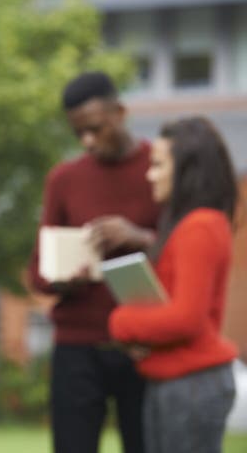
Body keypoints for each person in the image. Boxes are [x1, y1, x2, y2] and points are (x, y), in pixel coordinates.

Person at [28, 71, 161, 453]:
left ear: (119, 113)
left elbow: (186, 250)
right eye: (78, 133)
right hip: (77, 346)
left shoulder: (159, 167)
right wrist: (63, 279)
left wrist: (140, 237)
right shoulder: (64, 179)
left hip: (142, 342)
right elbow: (38, 272)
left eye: (95, 129)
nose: (87, 141)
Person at [109, 116, 239, 453]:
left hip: (192, 384)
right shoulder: (189, 225)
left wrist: (121, 322)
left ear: (186, 170)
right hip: (173, 381)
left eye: (158, 165)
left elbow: (186, 318)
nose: (149, 174)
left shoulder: (199, 227)